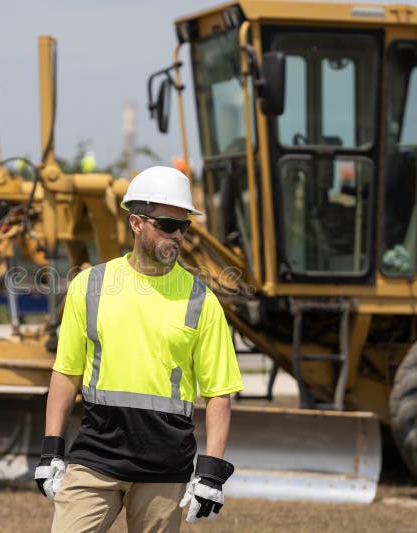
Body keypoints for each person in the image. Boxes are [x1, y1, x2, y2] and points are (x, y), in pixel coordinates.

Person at [36, 165, 243, 532]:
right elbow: (66, 373)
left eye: (183, 227)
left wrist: (211, 471)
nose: (176, 235)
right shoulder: (90, 286)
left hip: (165, 470)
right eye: (166, 224)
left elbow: (219, 393)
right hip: (95, 459)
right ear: (136, 223)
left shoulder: (202, 301)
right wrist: (52, 448)